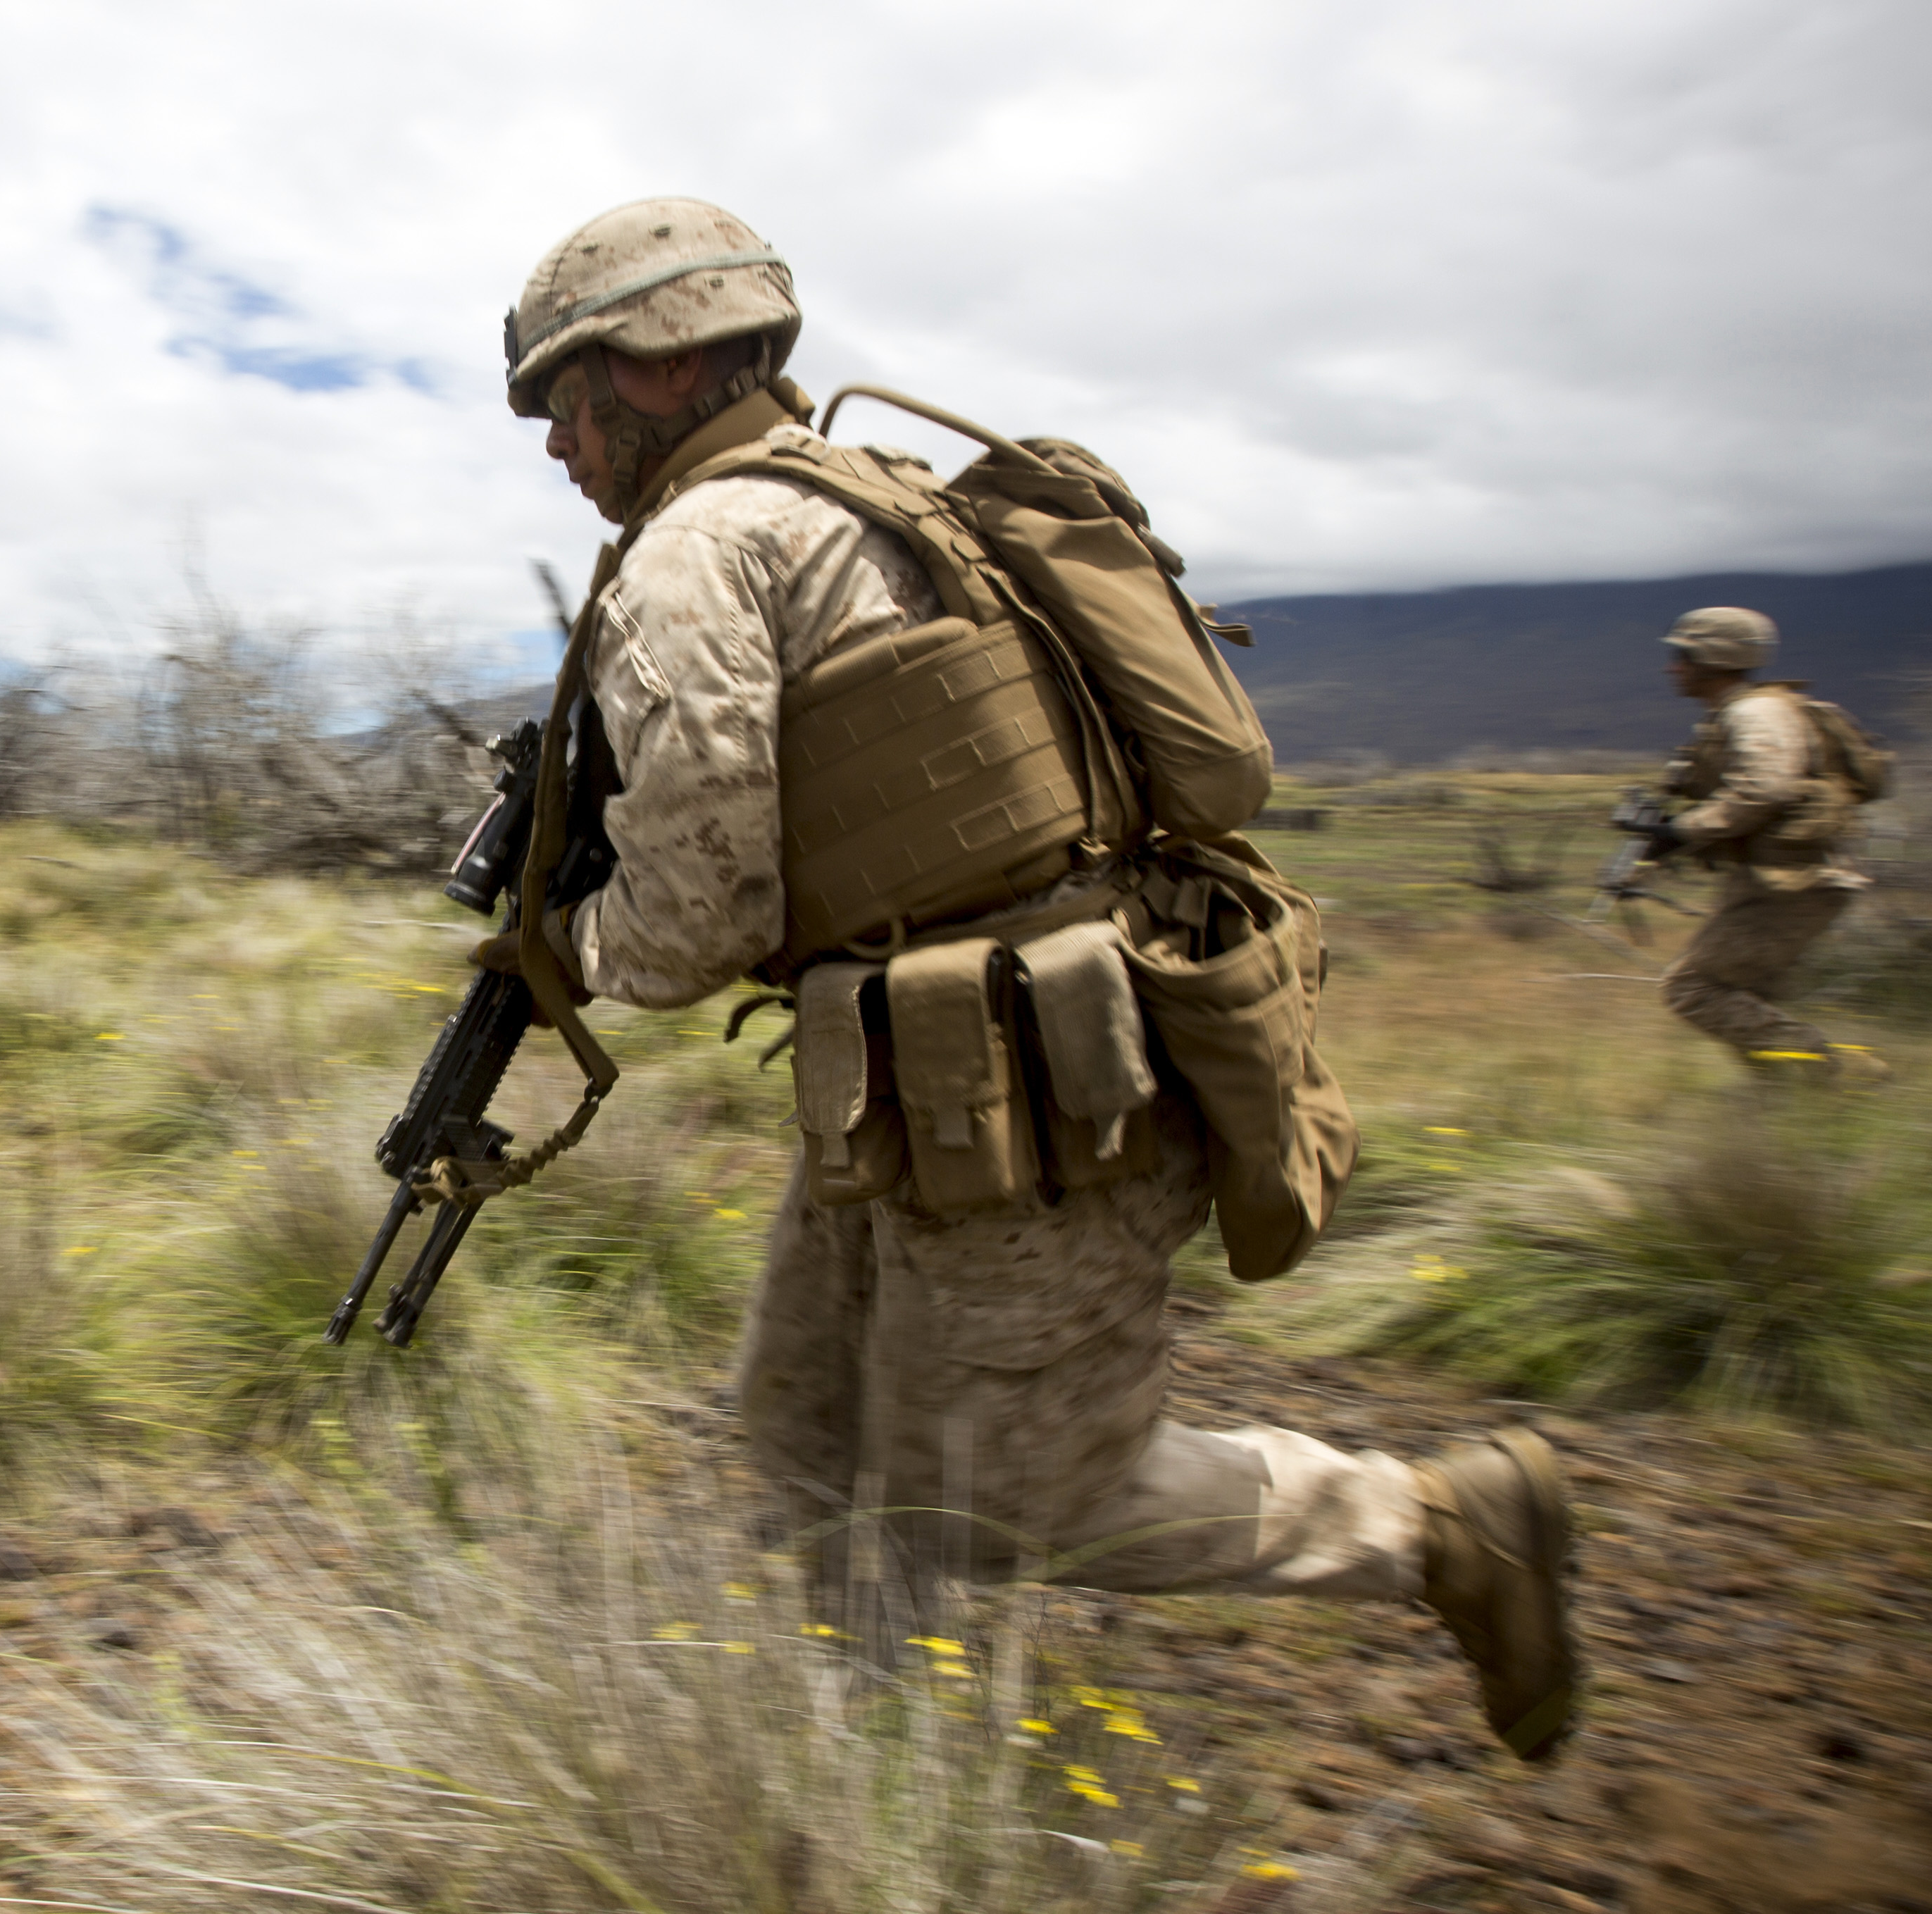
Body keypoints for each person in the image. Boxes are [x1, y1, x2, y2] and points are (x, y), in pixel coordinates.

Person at [487, 197, 1578, 1759]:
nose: (555, 443)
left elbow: (688, 919)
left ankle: (1441, 1526)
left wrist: (558, 951)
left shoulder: (700, 553)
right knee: (805, 1425)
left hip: (1029, 1078)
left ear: (660, 369)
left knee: (1034, 1492)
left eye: (564, 397)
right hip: (935, 1066)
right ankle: (860, 1777)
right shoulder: (879, 492)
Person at [1636, 608, 1886, 1081]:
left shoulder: (1755, 712)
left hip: (1796, 880)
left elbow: (1765, 789)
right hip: (1780, 877)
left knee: (1694, 989)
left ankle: (1843, 1075)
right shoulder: (1738, 713)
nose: (1673, 667)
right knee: (1749, 1000)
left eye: (1681, 655)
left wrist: (1685, 830)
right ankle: (1781, 1102)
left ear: (1712, 657)